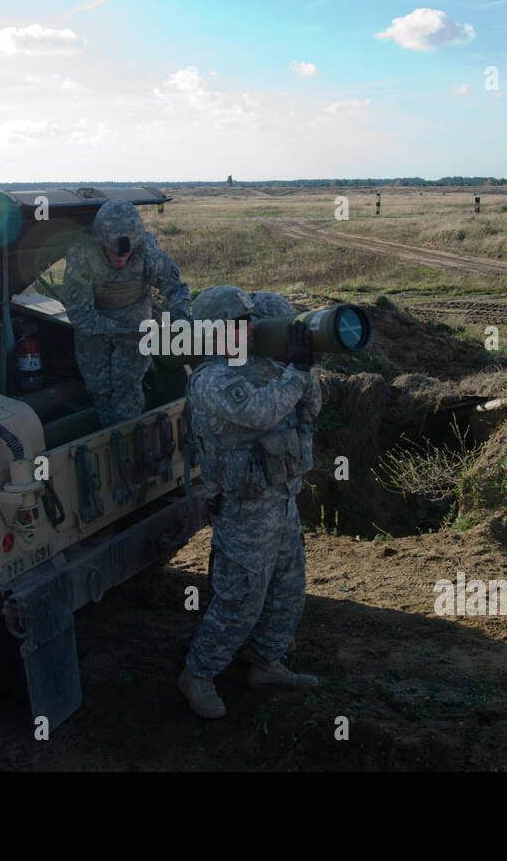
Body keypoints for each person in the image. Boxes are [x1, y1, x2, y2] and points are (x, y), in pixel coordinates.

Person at [178, 285, 322, 719]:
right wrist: (295, 373)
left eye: (249, 321)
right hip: (245, 509)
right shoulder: (212, 380)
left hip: (281, 499)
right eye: (239, 323)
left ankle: (266, 663)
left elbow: (312, 408)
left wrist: (301, 368)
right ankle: (197, 675)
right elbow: (260, 412)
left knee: (288, 591)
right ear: (215, 331)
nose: (249, 329)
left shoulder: (262, 367)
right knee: (239, 602)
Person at [60, 200, 190, 427]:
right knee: (99, 389)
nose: (121, 258)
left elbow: (176, 287)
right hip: (94, 326)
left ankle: (130, 435)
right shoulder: (82, 255)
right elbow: (80, 314)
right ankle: (106, 434)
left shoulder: (147, 251)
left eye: (126, 253)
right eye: (113, 252)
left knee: (128, 388)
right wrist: (121, 330)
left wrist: (180, 319)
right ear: (100, 241)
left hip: (135, 321)